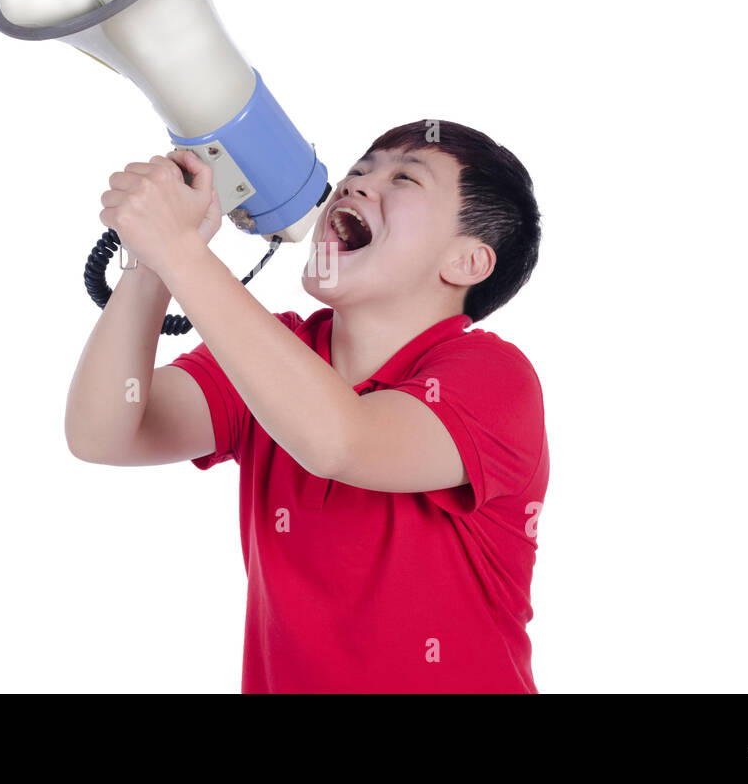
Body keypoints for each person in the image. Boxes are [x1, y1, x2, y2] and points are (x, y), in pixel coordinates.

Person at [66, 118, 547, 693]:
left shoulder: (492, 378)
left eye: (405, 179)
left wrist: (182, 251)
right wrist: (151, 260)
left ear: (467, 262)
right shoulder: (273, 354)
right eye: (359, 170)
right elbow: (106, 432)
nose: (356, 185)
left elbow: (341, 443)